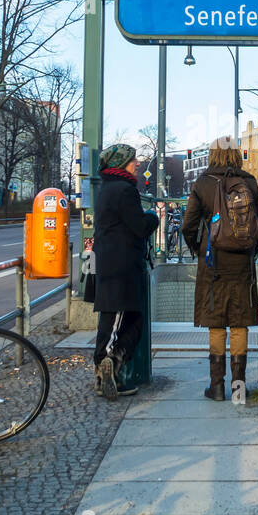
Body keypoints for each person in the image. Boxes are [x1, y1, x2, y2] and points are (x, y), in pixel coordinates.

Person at [182, 139, 258, 400]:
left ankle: (217, 386)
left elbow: (188, 225)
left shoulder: (203, 183)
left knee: (216, 322)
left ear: (214, 154)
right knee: (240, 323)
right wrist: (249, 250)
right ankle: (239, 387)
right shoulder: (250, 182)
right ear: (235, 155)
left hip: (213, 263)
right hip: (242, 264)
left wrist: (199, 247)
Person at [89, 143, 159, 400]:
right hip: (121, 266)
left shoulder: (108, 188)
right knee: (122, 319)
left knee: (118, 318)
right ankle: (108, 363)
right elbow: (140, 226)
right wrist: (154, 216)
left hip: (110, 263)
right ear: (122, 163)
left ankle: (106, 372)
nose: (137, 163)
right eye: (133, 160)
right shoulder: (123, 190)